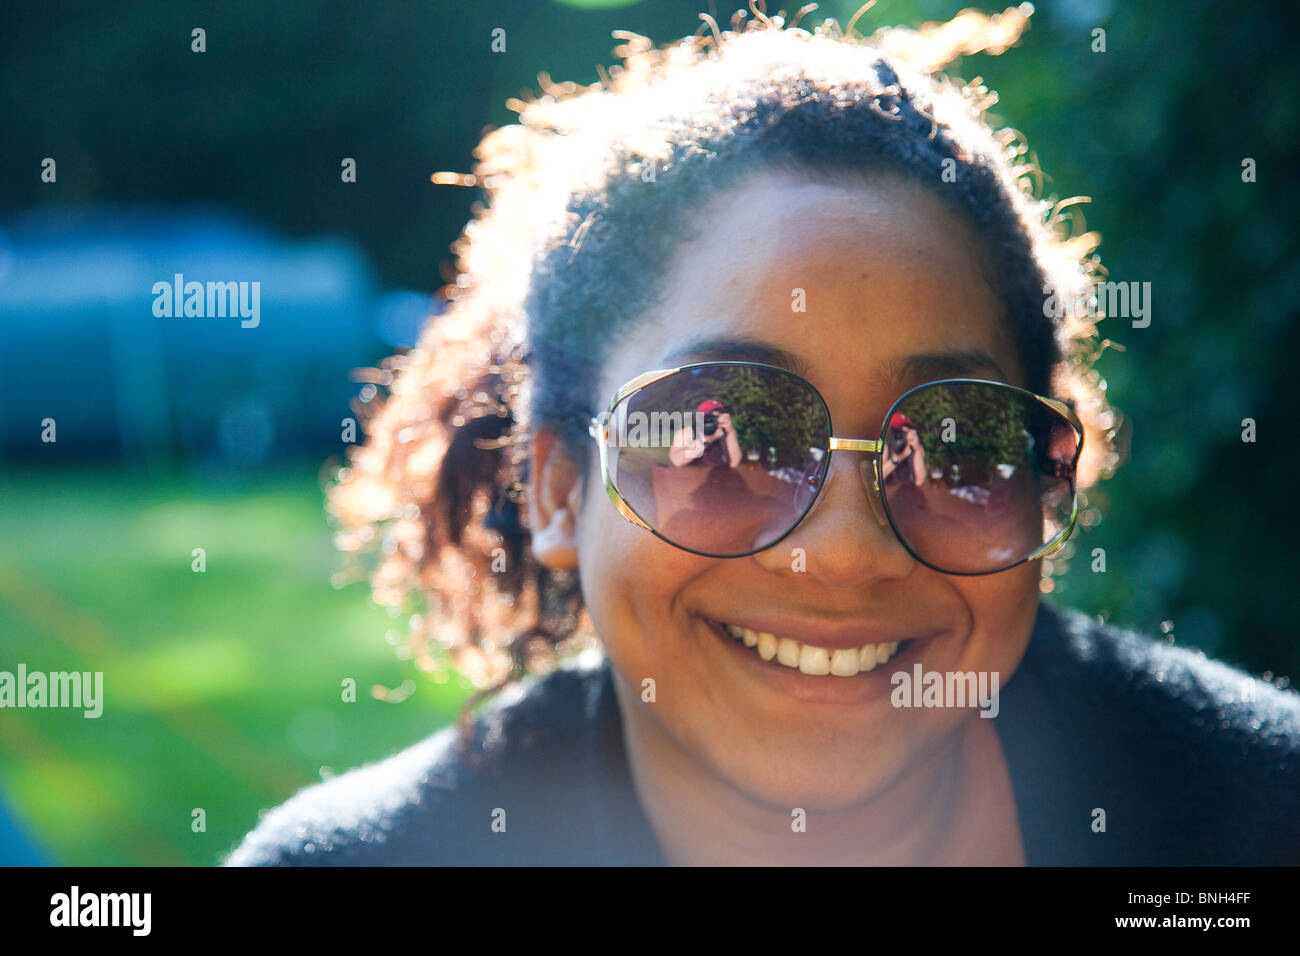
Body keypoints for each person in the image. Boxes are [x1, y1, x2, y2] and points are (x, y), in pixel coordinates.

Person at [226, 6, 1300, 866]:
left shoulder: (1261, 812)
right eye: (723, 436)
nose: (843, 550)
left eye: (959, 445)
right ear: (557, 487)